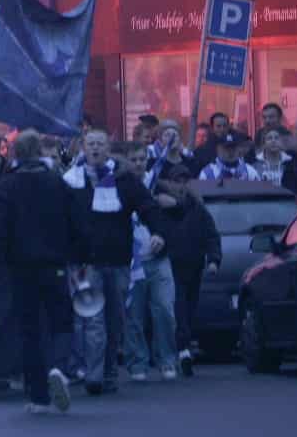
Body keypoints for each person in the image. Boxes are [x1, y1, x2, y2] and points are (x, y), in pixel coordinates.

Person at [63, 129, 167, 395]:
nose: (95, 148)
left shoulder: (124, 180)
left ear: (108, 148)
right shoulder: (71, 181)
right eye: (90, 144)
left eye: (100, 144)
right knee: (92, 318)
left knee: (115, 320)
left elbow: (148, 207)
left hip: (119, 261)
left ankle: (109, 373)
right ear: (83, 148)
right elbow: (57, 216)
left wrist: (157, 232)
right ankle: (94, 376)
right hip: (84, 262)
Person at [0, 130, 79, 414]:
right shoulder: (57, 184)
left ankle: (38, 397)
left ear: (14, 153)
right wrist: (80, 255)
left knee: (30, 329)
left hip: (20, 268)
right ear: (39, 152)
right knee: (61, 321)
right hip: (54, 265)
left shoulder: (5, 187)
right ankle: (59, 367)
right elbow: (75, 221)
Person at [156, 165, 221, 377]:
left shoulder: (197, 207)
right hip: (170, 265)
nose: (181, 185)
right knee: (178, 308)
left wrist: (214, 260)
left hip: (194, 266)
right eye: (177, 181)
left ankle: (182, 346)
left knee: (189, 309)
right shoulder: (161, 204)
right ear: (169, 182)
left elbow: (211, 235)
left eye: (184, 181)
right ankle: (182, 350)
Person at [122, 147, 178, 382]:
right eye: (133, 159)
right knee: (134, 316)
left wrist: (175, 204)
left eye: (141, 158)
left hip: (158, 259)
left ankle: (167, 360)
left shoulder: (160, 185)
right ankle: (137, 363)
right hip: (133, 261)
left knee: (164, 309)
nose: (137, 163)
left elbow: (183, 211)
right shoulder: (120, 186)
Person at [252, 128, 297, 200]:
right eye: (269, 138)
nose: (273, 141)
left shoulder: (293, 164)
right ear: (264, 143)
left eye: (276, 138)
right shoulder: (255, 165)